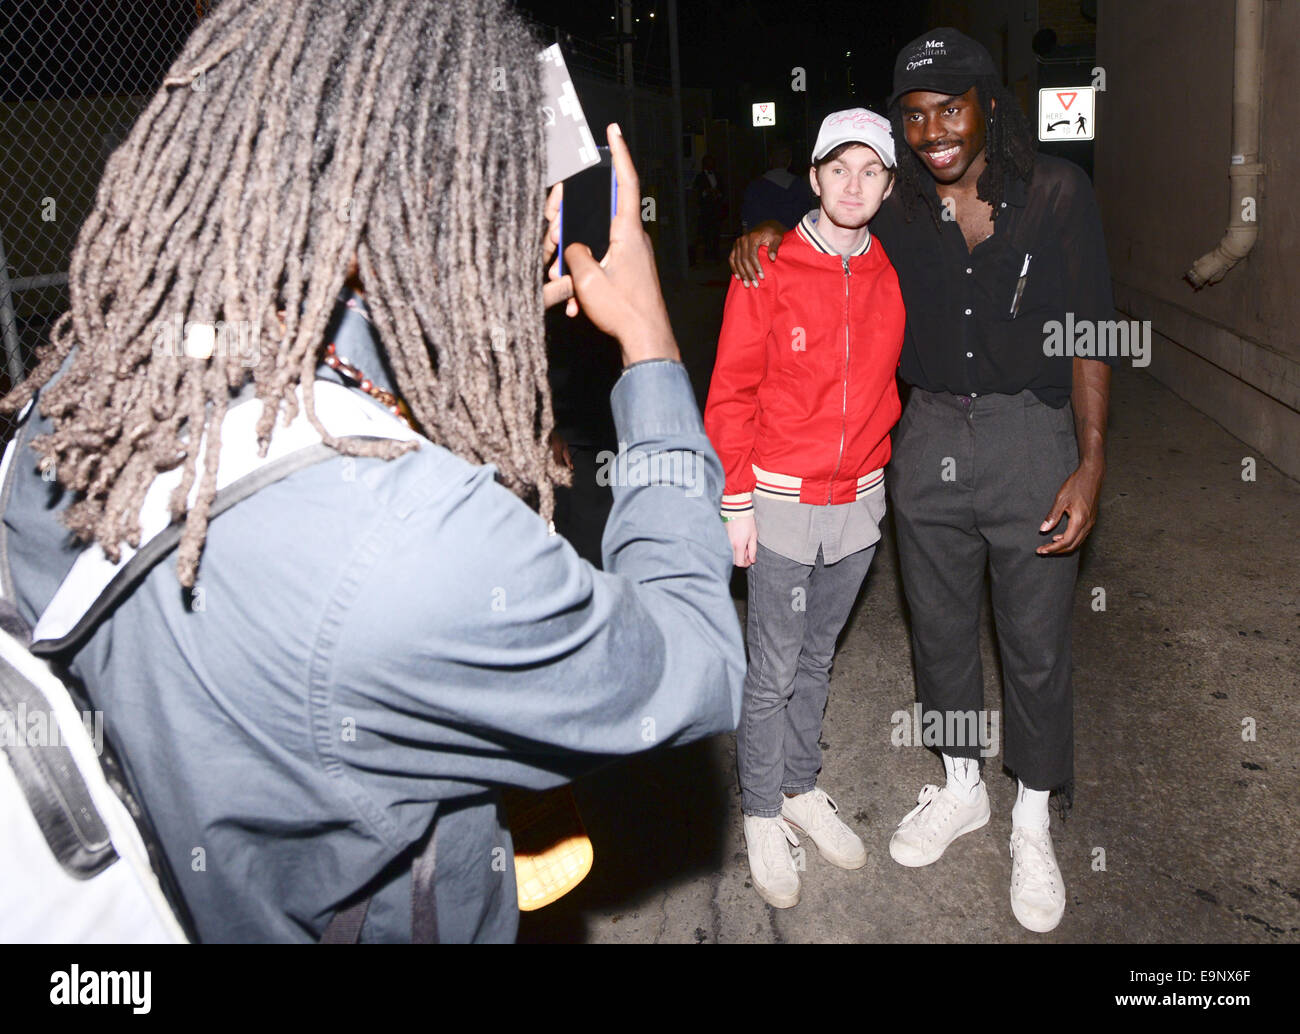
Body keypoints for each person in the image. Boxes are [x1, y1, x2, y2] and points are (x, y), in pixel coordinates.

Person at [0, 0, 744, 943]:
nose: (534, 217)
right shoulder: (421, 547)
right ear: (439, 204)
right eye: (511, 187)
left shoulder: (92, 386)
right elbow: (694, 663)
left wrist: (453, 321)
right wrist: (650, 346)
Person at [729, 29, 1117, 933]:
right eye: (916, 115)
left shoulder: (1057, 193)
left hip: (1032, 434)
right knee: (938, 629)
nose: (935, 128)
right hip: (927, 433)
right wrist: (766, 238)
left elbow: (1093, 331)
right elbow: (831, 224)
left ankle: (1030, 818)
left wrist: (1091, 463)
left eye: (952, 107)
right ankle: (960, 786)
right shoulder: (900, 211)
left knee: (1035, 640)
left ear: (990, 104)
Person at [704, 109, 905, 908]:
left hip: (859, 504)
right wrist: (736, 502)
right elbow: (732, 391)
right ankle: (759, 812)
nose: (853, 185)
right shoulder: (768, 267)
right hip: (781, 502)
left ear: (889, 187)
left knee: (818, 657)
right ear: (813, 177)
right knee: (773, 669)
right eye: (839, 169)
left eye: (871, 172)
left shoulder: (893, 269)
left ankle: (798, 785)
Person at [740, 141, 815, 233]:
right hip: (791, 242)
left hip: (760, 243)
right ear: (789, 161)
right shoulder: (800, 187)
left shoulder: (754, 187)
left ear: (770, 160)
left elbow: (746, 224)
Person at [693, 155, 726, 263]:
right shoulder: (700, 177)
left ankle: (715, 254)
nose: (711, 165)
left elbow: (723, 190)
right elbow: (697, 192)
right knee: (706, 232)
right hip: (706, 209)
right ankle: (707, 254)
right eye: (708, 163)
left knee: (716, 231)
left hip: (716, 208)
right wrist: (706, 192)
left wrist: (718, 194)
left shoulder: (718, 176)